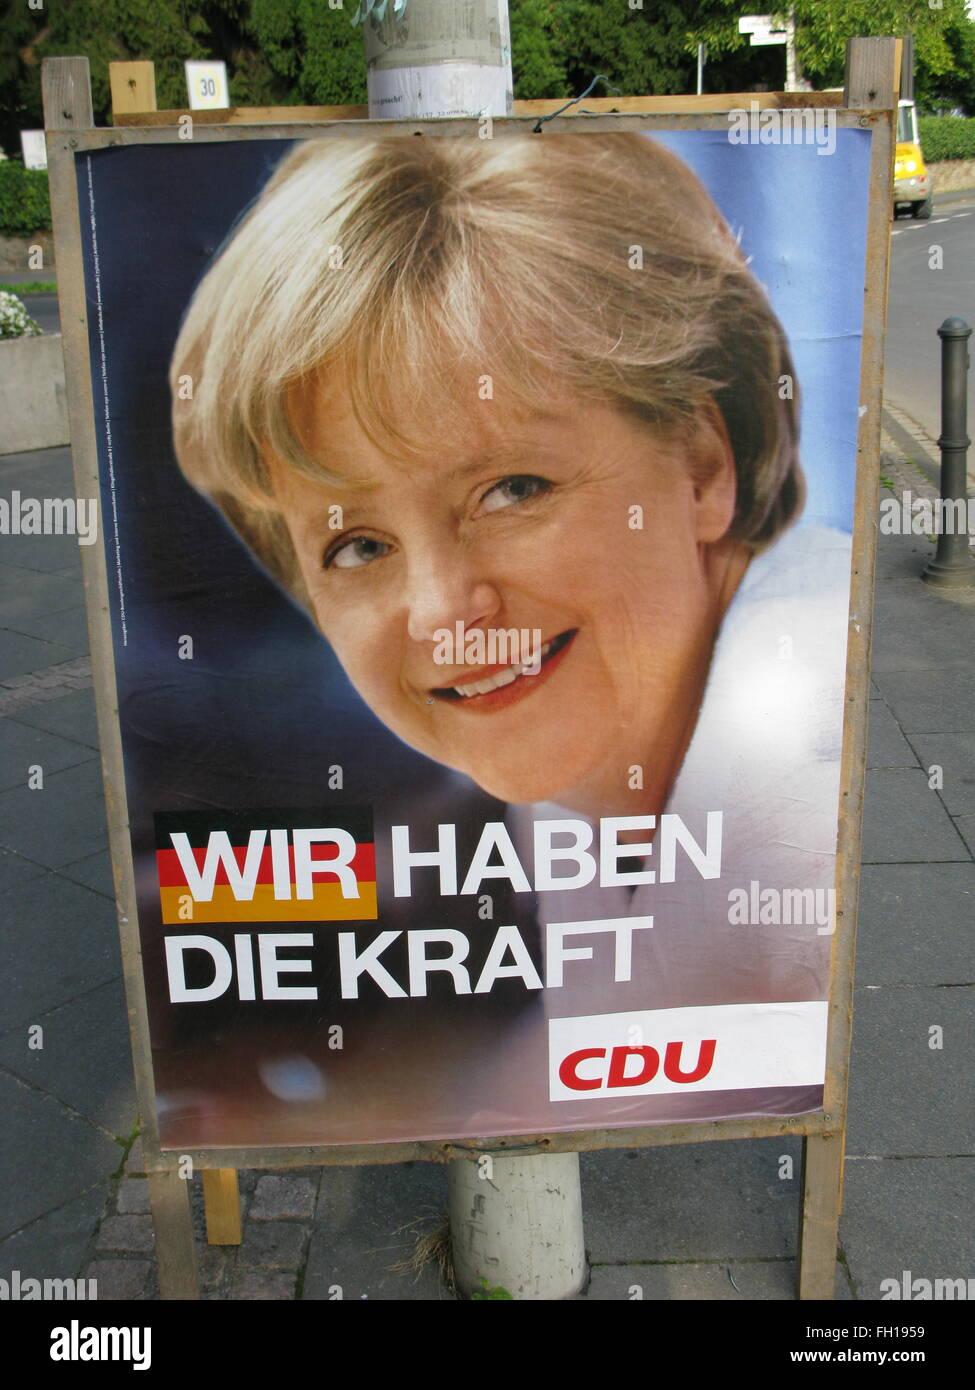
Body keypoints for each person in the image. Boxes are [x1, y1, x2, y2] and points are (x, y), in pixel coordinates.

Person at [170, 132, 851, 1123]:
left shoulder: (789, 757)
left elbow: (549, 1106)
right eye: (357, 546)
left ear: (703, 464)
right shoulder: (599, 695)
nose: (445, 610)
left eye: (512, 488)